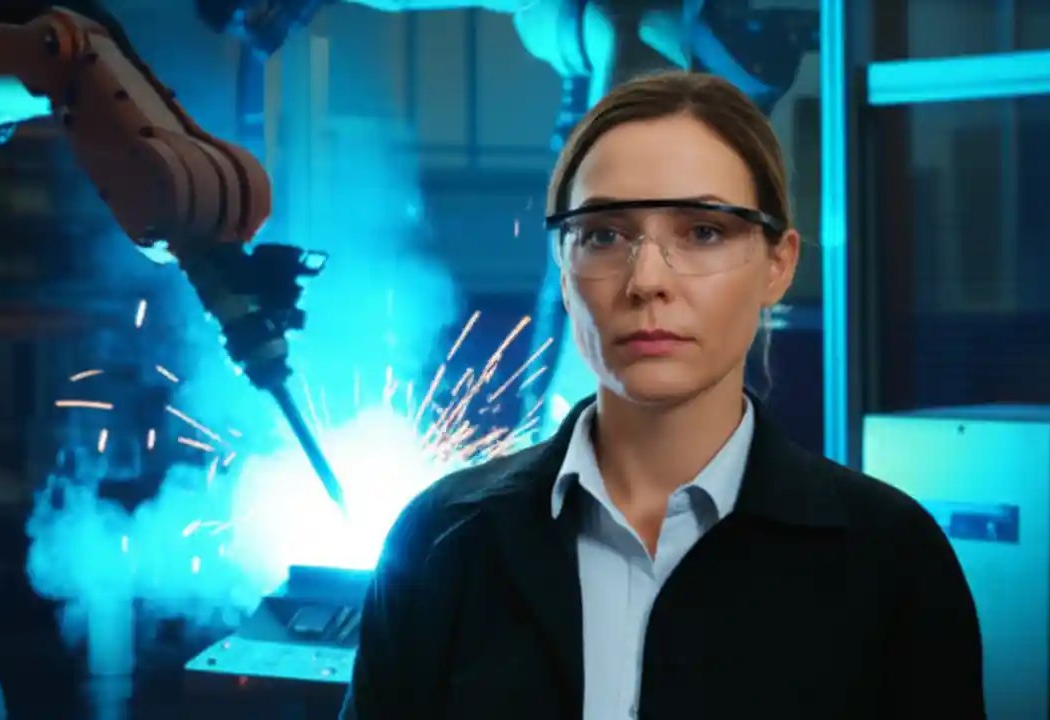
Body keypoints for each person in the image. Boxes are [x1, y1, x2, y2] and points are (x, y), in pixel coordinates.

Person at [340, 71, 985, 720]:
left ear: (778, 264)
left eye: (703, 231)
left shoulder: (891, 560)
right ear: (563, 271)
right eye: (604, 234)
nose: (647, 281)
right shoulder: (441, 540)